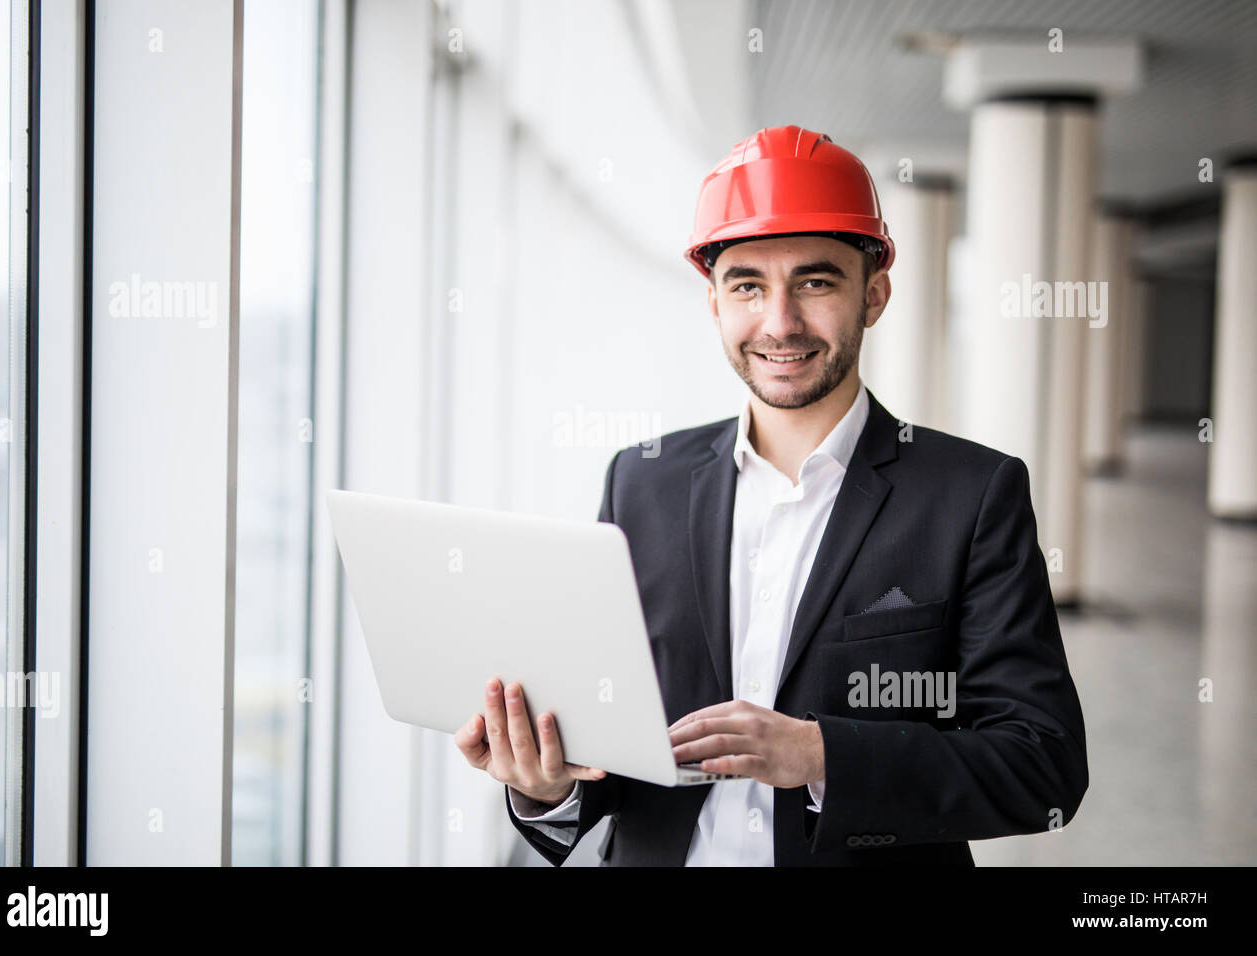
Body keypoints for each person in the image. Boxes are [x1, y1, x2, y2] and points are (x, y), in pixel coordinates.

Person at [454, 124, 1088, 866]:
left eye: (816, 282)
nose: (780, 322)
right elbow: (614, 742)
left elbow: (1041, 764)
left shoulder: (973, 496)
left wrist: (822, 755)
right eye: (748, 285)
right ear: (715, 302)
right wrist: (545, 784)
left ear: (874, 294)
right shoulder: (641, 483)